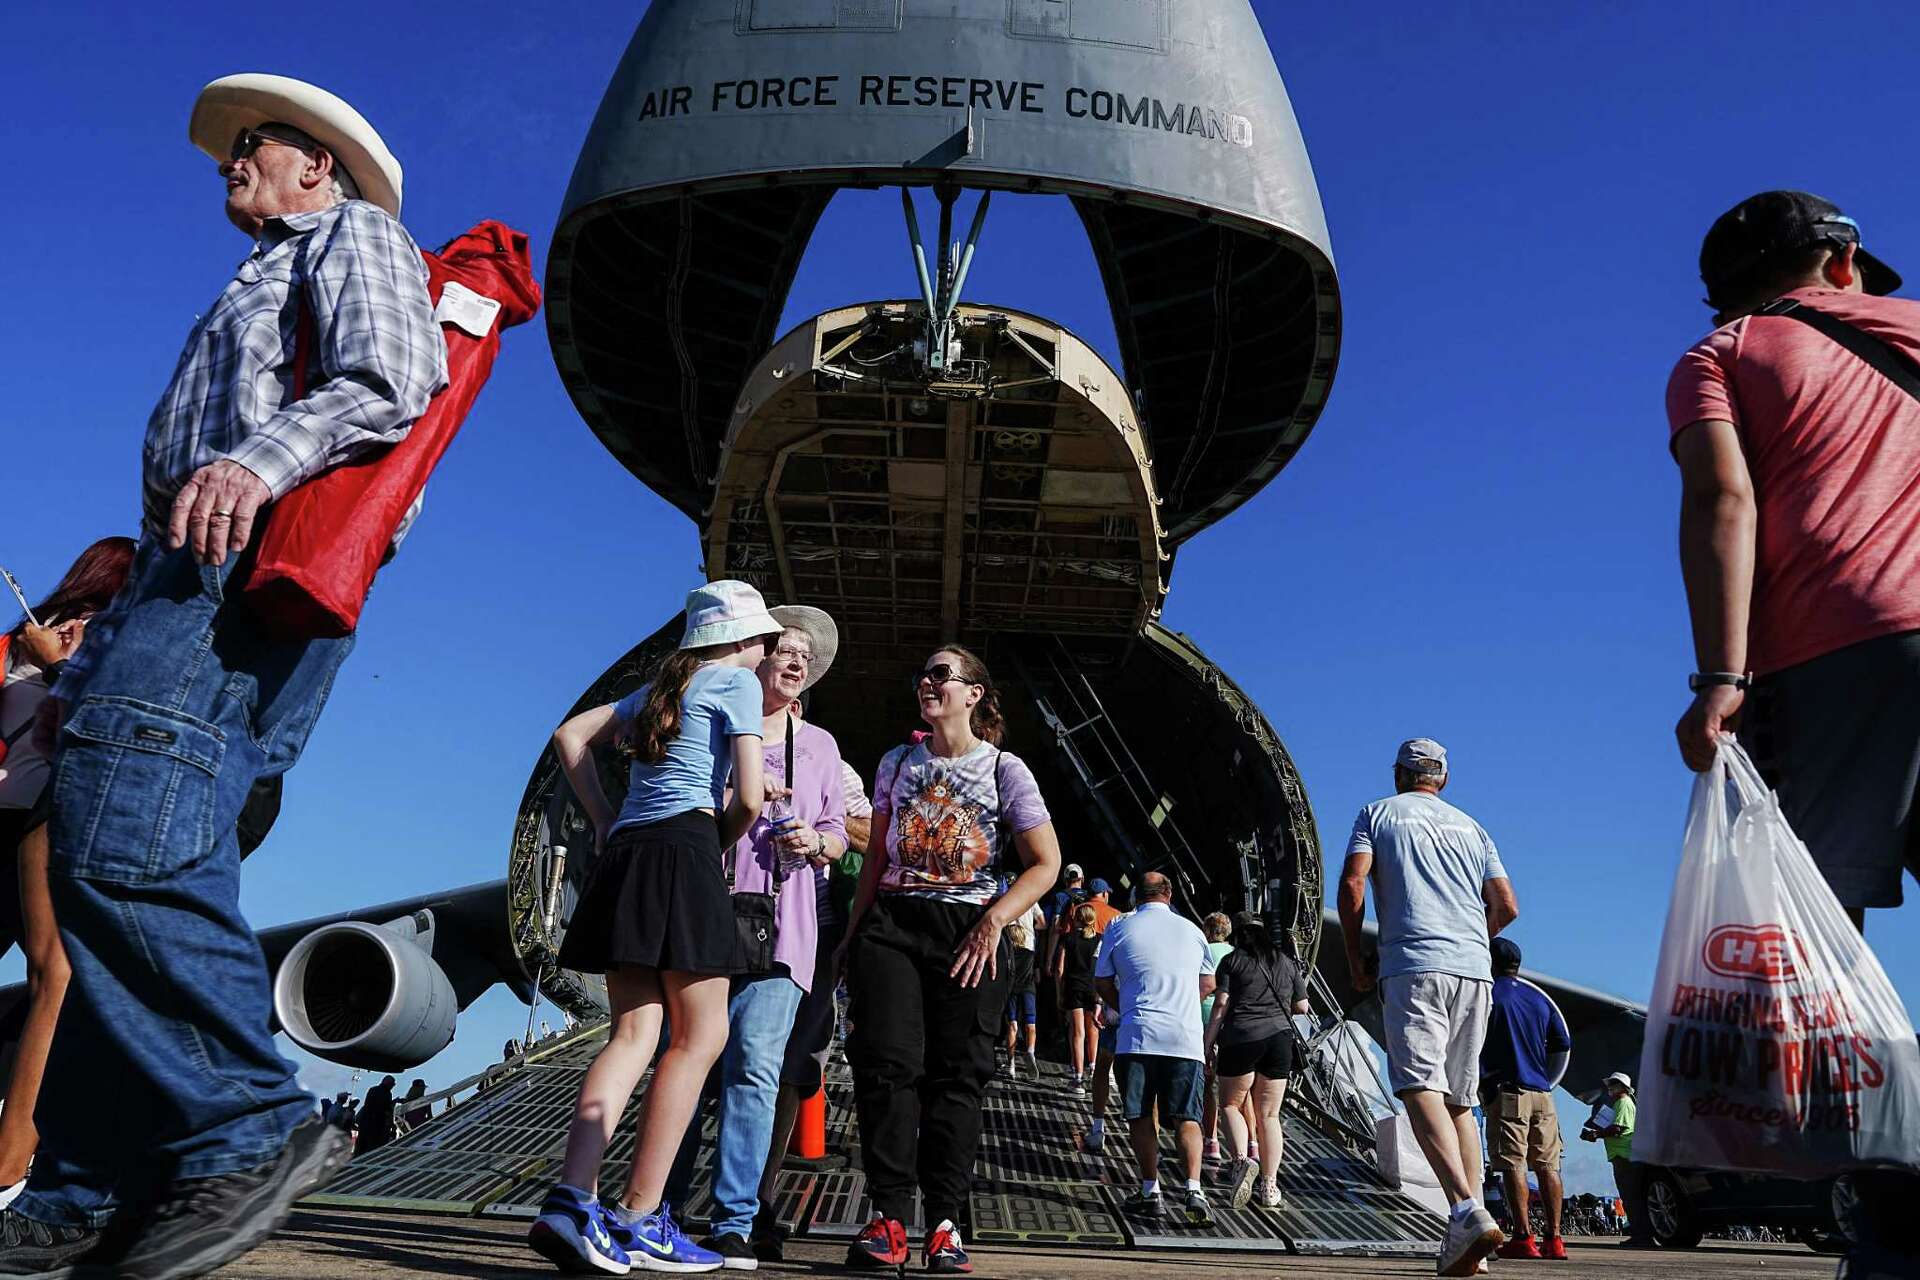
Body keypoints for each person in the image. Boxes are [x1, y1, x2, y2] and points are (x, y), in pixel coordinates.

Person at [2, 75, 447, 1279]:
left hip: (230, 576)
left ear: (321, 168)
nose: (227, 165)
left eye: (251, 147)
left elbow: (393, 379)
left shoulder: (353, 234)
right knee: (129, 869)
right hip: (185, 573)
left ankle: (244, 1125)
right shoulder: (261, 272)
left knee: (119, 848)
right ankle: (89, 1183)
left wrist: (253, 466)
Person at [1667, 190, 1920, 1279]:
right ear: (1844, 257)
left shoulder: (1719, 354)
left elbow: (1726, 500)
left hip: (1834, 656)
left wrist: (1722, 676)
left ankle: (1896, 1235)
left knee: (1828, 951)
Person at [530, 580, 781, 1276]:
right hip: (684, 850)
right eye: (762, 638)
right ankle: (641, 1218)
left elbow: (570, 735)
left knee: (634, 1033)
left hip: (628, 854)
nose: (765, 652)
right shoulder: (735, 684)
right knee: (703, 1034)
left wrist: (607, 817)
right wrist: (718, 840)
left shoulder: (657, 691)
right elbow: (752, 798)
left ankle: (571, 1201)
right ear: (740, 640)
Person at [840, 644, 1062, 1275]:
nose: (927, 683)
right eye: (923, 675)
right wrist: (849, 940)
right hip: (893, 924)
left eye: (942, 674)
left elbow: (1044, 862)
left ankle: (944, 1222)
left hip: (969, 931)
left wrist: (994, 919)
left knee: (956, 1076)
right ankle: (886, 1218)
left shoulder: (1005, 771)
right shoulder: (895, 763)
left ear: (974, 694)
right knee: (887, 1065)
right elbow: (878, 860)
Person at [662, 608, 849, 1269]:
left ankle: (735, 1220)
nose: (796, 661)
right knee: (687, 1062)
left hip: (783, 931)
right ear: (757, 660)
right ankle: (662, 1206)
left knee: (754, 1071)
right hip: (704, 920)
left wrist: (817, 842)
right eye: (783, 650)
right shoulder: (714, 724)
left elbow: (838, 830)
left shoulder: (821, 747)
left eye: (806, 656)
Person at [1337, 738, 1518, 1277]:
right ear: (1443, 779)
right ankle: (1474, 1221)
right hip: (1474, 970)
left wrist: (1355, 959)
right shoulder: (1472, 827)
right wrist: (1470, 940)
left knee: (1419, 1088)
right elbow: (1507, 905)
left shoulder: (1378, 813)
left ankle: (1464, 1210)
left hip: (1414, 964)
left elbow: (1352, 887)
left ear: (1399, 774)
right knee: (1461, 1101)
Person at [0, 538, 136, 1206]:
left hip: (35, 818)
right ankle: (11, 1165)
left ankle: (19, 1156)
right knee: (57, 977)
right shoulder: (44, 646)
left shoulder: (42, 647)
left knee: (54, 979)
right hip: (41, 817)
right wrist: (57, 667)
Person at [755, 758, 872, 1263]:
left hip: (814, 933)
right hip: (739, 918)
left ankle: (758, 1203)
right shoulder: (729, 745)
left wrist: (824, 822)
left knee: (790, 1067)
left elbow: (874, 834)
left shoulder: (830, 762)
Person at [1095, 871, 1217, 1226]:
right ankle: (1195, 1189)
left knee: (1141, 1114)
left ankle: (1152, 1190)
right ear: (1169, 893)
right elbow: (1208, 982)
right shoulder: (1193, 930)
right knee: (1188, 1117)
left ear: (1136, 896)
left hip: (1138, 1035)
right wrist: (1181, 1007)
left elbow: (1102, 980)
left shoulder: (1119, 926)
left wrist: (1127, 1005)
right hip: (1184, 1040)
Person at [1201, 911, 1307, 1212]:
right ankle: (1270, 1185)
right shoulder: (1286, 963)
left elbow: (1221, 1004)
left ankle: (1240, 1163)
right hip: (1279, 1041)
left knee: (1231, 1104)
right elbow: (1302, 1006)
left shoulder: (1231, 962)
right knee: (1269, 1115)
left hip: (1241, 1038)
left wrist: (1207, 1045)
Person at [1478, 938, 1569, 1260]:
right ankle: (1555, 1239)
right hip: (1543, 1093)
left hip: (1508, 1092)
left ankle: (1523, 1236)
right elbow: (1562, 1042)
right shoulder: (1538, 998)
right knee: (1549, 1166)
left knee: (1513, 1164)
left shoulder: (1488, 995)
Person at [1578, 1073, 1651, 1249]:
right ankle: (1642, 1234)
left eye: (1614, 1084)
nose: (1610, 1086)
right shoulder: (1622, 1103)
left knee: (1631, 1197)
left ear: (1624, 1088)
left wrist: (1595, 1134)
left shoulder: (1623, 1103)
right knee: (1632, 1196)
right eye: (1610, 1083)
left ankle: (1641, 1235)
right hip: (1623, 1155)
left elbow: (1618, 1129)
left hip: (1624, 1156)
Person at [1197, 912, 1234, 1162]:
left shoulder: (1203, 951)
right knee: (1236, 1091)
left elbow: (1204, 985)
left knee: (1207, 1083)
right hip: (1233, 1023)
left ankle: (1210, 1141)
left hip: (1205, 1017)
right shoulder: (1236, 954)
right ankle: (1250, 1145)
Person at [1054, 903, 1102, 1091]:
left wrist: (1059, 993)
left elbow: (1059, 969)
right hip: (1093, 988)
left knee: (1077, 1033)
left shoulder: (1068, 939)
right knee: (1094, 1032)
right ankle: (1094, 1069)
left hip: (1074, 988)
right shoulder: (1100, 940)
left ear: (1077, 919)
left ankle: (1077, 1077)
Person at [1003, 894, 1045, 1078]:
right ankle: (1030, 1051)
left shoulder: (1007, 956)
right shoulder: (1030, 954)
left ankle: (1010, 1063)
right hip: (1028, 988)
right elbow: (1043, 922)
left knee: (1012, 1025)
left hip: (1011, 989)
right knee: (1031, 1024)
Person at [355, 1077, 398, 1155]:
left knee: (361, 1147)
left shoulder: (374, 1090)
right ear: (388, 1083)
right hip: (375, 1124)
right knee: (371, 1148)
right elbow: (383, 1107)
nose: (392, 1086)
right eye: (392, 1084)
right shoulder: (386, 1093)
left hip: (368, 1123)